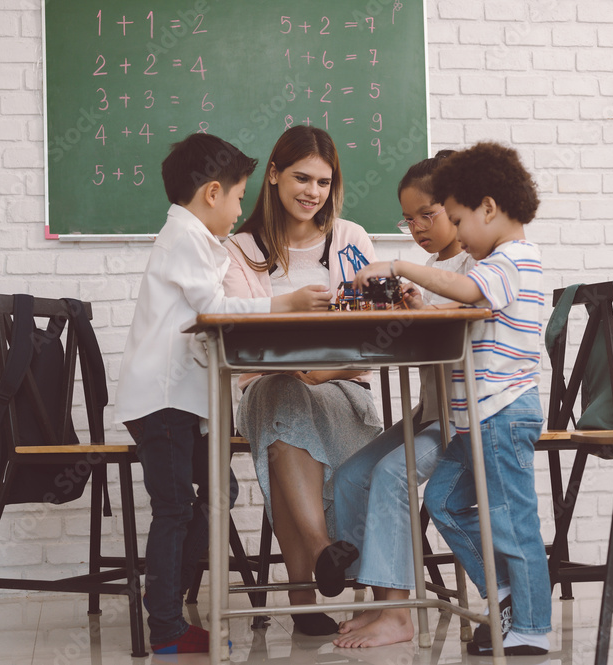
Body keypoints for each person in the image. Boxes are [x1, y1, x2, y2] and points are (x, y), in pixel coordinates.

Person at [115, 133, 330, 654]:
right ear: (213, 192)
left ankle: (168, 599)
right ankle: (165, 625)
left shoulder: (193, 238)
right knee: (175, 508)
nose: (239, 210)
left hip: (180, 403)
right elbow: (214, 310)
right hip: (163, 401)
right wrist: (284, 304)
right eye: (237, 197)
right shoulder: (184, 237)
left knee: (218, 494)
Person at [352, 141, 550, 656]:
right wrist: (422, 305)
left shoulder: (514, 259)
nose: (457, 234)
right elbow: (461, 309)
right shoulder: (495, 263)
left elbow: (465, 293)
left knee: (512, 520)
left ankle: (531, 627)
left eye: (458, 221)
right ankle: (505, 595)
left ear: (489, 207)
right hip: (476, 420)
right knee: (443, 501)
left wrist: (399, 265)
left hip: (502, 415)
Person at [223, 126, 383, 636]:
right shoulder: (238, 250)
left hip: (341, 392)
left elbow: (376, 338)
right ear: (273, 175)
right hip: (266, 391)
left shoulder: (351, 239)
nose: (313, 192)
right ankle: (321, 551)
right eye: (301, 178)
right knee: (279, 395)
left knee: (283, 420)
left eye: (323, 181)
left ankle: (304, 595)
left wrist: (324, 371)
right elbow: (234, 336)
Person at [331, 150, 476, 648]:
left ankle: (398, 614)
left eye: (426, 215)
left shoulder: (472, 263)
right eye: (408, 219)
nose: (417, 228)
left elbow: (460, 321)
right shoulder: (434, 266)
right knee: (351, 475)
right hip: (431, 412)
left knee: (392, 474)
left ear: (455, 207)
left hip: (462, 417)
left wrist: (419, 303)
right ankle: (381, 600)